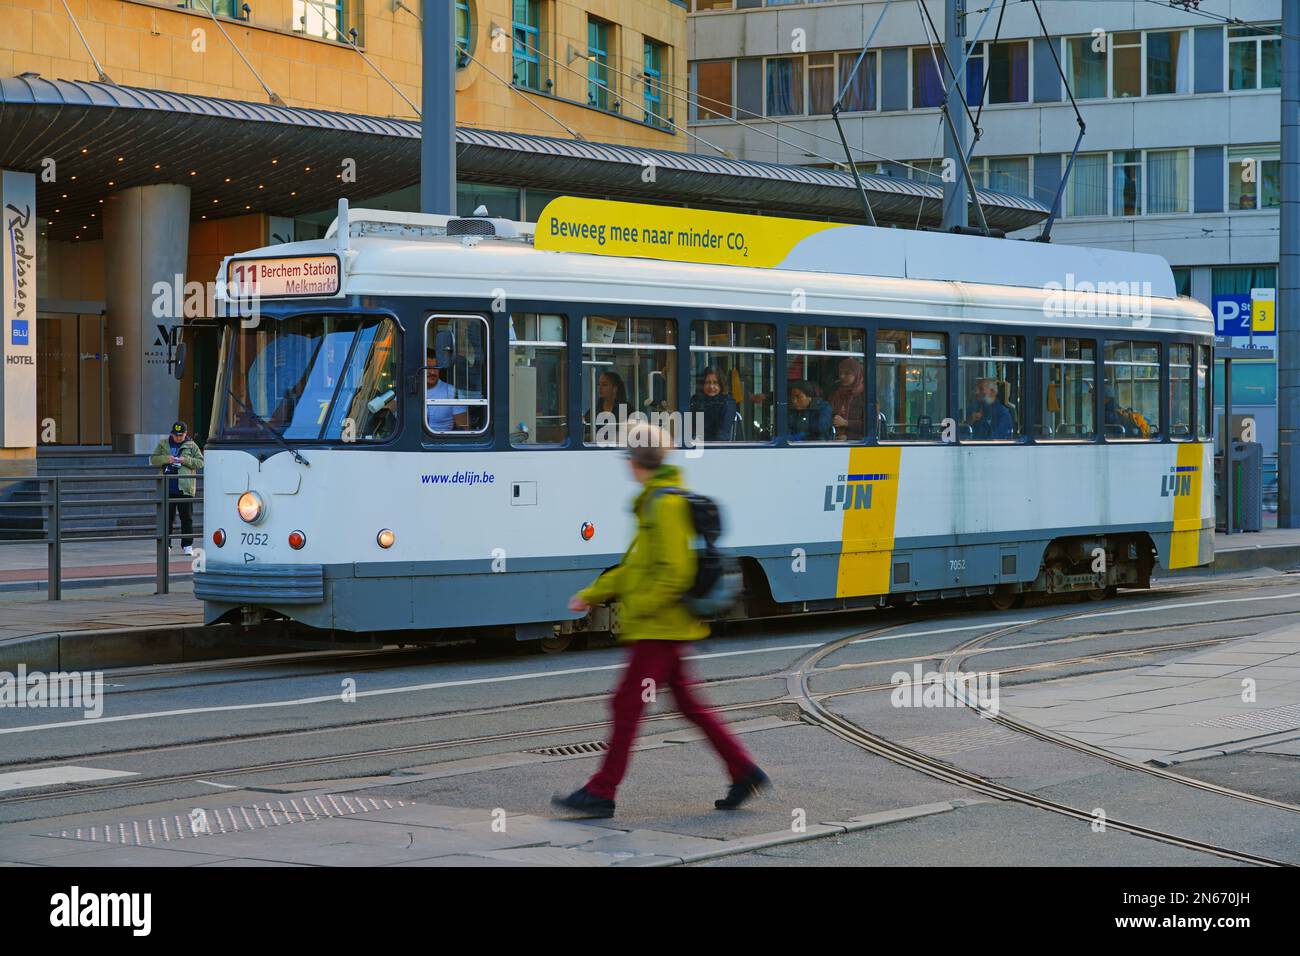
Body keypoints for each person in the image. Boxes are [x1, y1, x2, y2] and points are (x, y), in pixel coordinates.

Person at [553, 423, 770, 818]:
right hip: (664, 627)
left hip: (661, 628)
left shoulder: (664, 506)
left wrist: (644, 607)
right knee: (688, 704)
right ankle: (744, 770)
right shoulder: (653, 501)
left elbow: (674, 571)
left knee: (626, 705)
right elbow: (637, 568)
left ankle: (602, 791)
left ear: (636, 462)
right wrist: (592, 593)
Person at [150, 421, 203, 556]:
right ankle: (166, 545)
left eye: (181, 435)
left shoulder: (191, 446)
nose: (178, 438)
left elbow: (200, 462)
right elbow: (153, 459)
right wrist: (166, 459)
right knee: (167, 518)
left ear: (186, 434)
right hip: (167, 486)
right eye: (176, 435)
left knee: (187, 517)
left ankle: (187, 545)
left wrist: (184, 460)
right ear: (171, 434)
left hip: (185, 487)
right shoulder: (163, 444)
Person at [689, 367, 738, 441]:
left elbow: (723, 434)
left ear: (721, 385)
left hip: (716, 448)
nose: (711, 386)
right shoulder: (696, 400)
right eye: (708, 382)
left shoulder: (728, 402)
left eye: (715, 383)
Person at [425, 353, 468, 432]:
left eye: (436, 368)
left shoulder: (452, 392)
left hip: (441, 440)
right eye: (428, 368)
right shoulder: (409, 390)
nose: (432, 373)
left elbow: (464, 430)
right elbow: (394, 409)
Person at [829, 357, 866, 441]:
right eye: (840, 373)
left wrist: (846, 423)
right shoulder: (837, 394)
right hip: (833, 440)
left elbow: (871, 426)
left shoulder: (866, 396)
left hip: (857, 445)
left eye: (847, 373)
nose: (842, 376)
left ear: (857, 375)